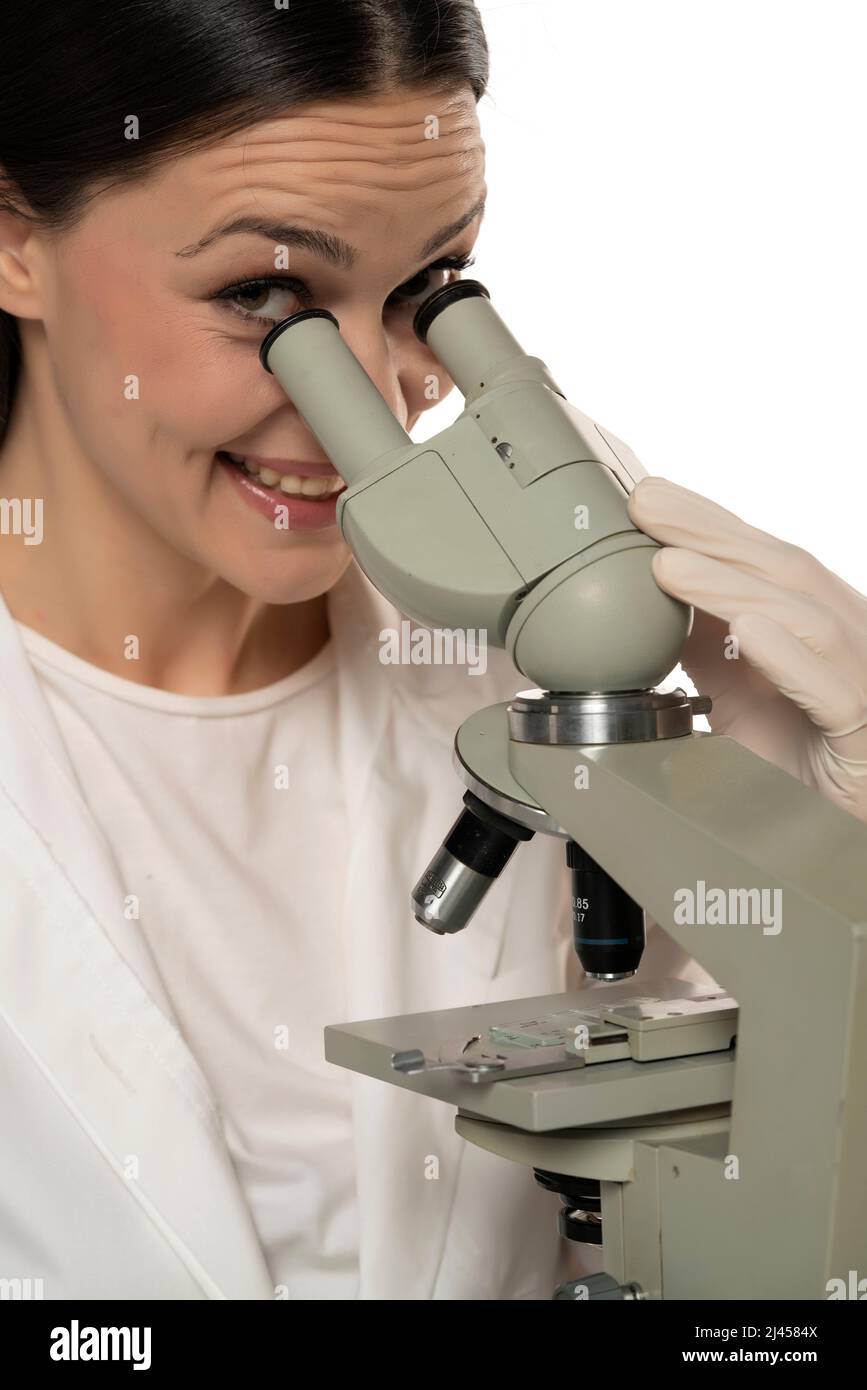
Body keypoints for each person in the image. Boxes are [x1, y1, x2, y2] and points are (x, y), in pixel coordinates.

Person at [0, 0, 863, 1302]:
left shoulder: (534, 589)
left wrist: (819, 858)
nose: (386, 391)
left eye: (430, 296)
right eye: (265, 297)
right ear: (16, 241)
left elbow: (737, 1212)